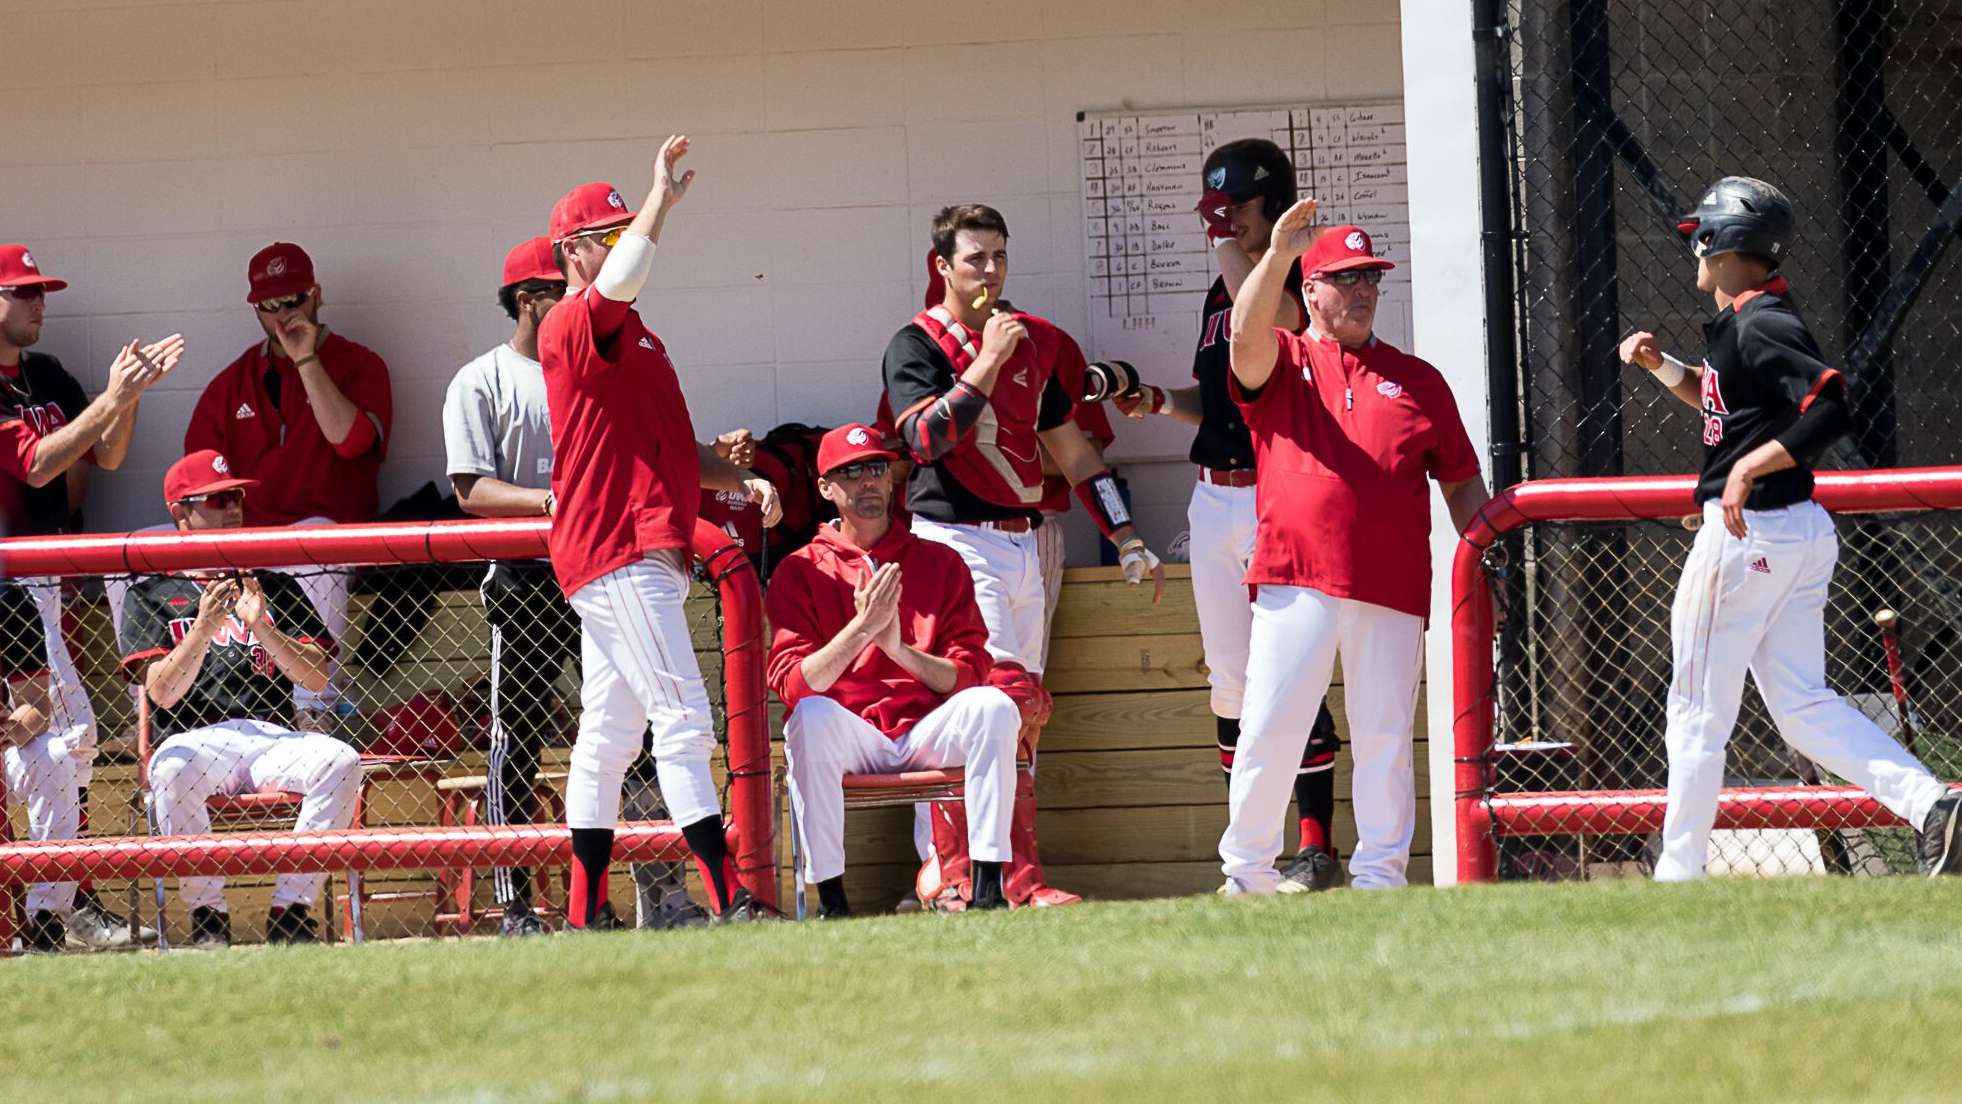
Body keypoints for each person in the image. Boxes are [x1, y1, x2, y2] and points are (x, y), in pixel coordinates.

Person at [1618, 176, 1961, 879]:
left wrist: (1745, 471)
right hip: (1793, 534)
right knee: (1802, 707)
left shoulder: (1763, 321)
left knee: (1695, 710)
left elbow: (1832, 407)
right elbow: (1726, 407)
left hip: (1753, 536)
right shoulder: (1751, 317)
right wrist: (1662, 367)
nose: (1696, 250)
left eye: (1701, 238)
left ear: (1721, 243)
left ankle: (1676, 878)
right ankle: (1933, 806)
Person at [882, 203, 1167, 909]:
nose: (990, 272)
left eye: (1000, 257)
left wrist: (1127, 535)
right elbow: (923, 441)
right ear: (942, 267)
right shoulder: (915, 343)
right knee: (986, 703)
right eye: (975, 258)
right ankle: (968, 875)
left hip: (1022, 538)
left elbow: (1071, 449)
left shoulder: (1033, 344)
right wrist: (987, 360)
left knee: (1023, 711)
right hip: (952, 540)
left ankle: (993, 875)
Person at [539, 137, 782, 929]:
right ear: (570, 251)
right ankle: (728, 896)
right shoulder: (573, 322)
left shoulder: (638, 337)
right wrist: (657, 202)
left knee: (611, 734)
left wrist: (739, 480)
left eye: (620, 230)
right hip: (618, 547)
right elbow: (626, 271)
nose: (617, 242)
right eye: (602, 235)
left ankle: (583, 914)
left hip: (638, 548)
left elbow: (675, 451)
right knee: (683, 719)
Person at [1218, 209, 1491, 893]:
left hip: (1392, 584)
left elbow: (1461, 481)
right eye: (1344, 279)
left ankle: (1381, 878)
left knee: (1385, 738)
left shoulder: (1419, 379)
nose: (1362, 289)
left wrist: (1490, 556)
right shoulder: (1285, 357)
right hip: (1295, 576)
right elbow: (1241, 342)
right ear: (1310, 291)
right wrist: (1278, 252)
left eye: (1369, 277)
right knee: (1270, 728)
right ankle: (1245, 875)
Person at [442, 236, 704, 934]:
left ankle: (661, 893)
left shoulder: (606, 358)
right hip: (528, 580)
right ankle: (517, 905)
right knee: (518, 739)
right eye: (558, 290)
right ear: (530, 301)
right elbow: (469, 489)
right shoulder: (483, 379)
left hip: (610, 559)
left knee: (633, 733)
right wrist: (548, 500)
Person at [1113, 140, 1345, 892]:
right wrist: (1161, 404)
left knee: (1293, 673)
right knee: (1231, 684)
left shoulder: (1301, 268)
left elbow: (1277, 323)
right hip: (1214, 495)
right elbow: (1219, 399)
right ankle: (1251, 854)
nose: (1226, 220)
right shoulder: (1222, 289)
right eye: (1220, 209)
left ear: (1272, 201)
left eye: (1237, 205)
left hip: (1280, 489)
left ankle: (1316, 847)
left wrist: (1229, 247)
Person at [1, 242, 181, 947]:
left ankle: (60, 901)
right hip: (7, 580)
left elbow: (104, 453)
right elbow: (40, 465)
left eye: (41, 290)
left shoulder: (47, 375)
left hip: (47, 583)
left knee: (70, 742)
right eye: (24, 291)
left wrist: (124, 400)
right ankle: (50, 903)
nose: (39, 301)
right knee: (48, 739)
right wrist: (115, 394)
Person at [767, 424, 1020, 917]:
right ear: (825, 488)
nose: (867, 481)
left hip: (926, 730)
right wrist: (861, 631)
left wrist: (896, 647)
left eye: (877, 468)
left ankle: (988, 889)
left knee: (994, 705)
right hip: (852, 732)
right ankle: (832, 902)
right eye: (851, 472)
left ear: (891, 481)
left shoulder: (940, 561)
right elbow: (795, 686)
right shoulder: (799, 570)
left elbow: (969, 675)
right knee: (810, 718)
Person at [118, 450, 363, 946]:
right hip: (193, 739)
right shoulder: (152, 593)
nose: (232, 509)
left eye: (237, 498)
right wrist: (203, 629)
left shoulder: (273, 586)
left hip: (273, 736)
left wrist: (262, 627)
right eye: (218, 499)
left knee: (341, 760)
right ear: (180, 513)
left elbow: (317, 678)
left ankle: (290, 911)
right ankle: (209, 916)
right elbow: (162, 693)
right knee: (168, 772)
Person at [185, 241, 394, 726]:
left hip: (329, 539)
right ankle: (164, 712)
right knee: (145, 546)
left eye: (295, 300)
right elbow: (195, 479)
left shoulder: (360, 365)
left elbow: (347, 440)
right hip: (250, 543)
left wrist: (306, 360)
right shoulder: (231, 383)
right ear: (255, 308)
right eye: (271, 305)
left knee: (316, 537)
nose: (285, 314)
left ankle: (314, 712)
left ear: (316, 295)